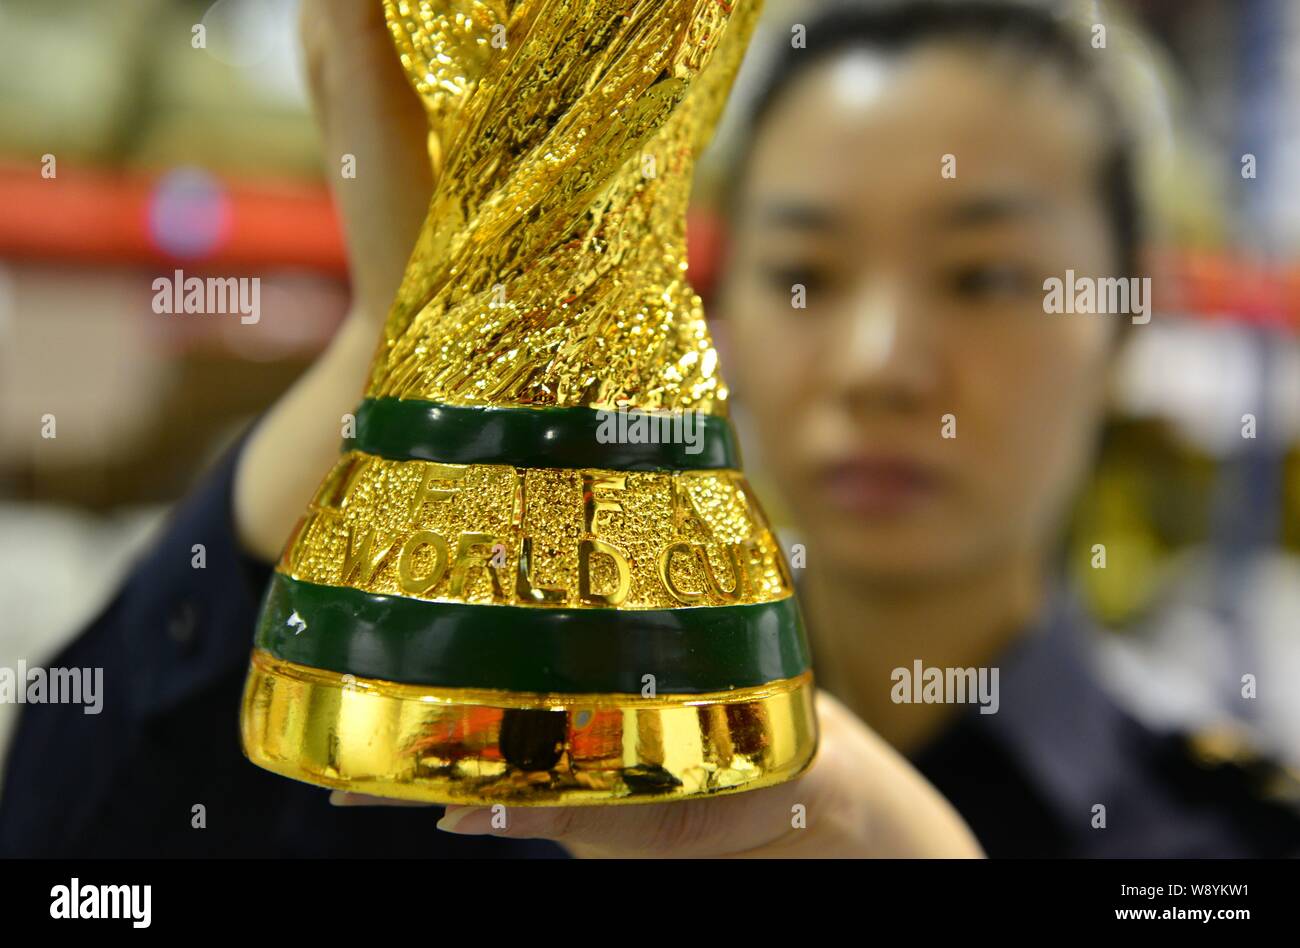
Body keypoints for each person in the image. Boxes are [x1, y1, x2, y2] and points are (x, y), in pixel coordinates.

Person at [0, 0, 1292, 858]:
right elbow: (67, 843)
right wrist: (408, 341)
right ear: (705, 297)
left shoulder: (1222, 848)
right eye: (803, 276)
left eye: (986, 278)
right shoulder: (484, 757)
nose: (880, 366)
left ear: (1129, 315)